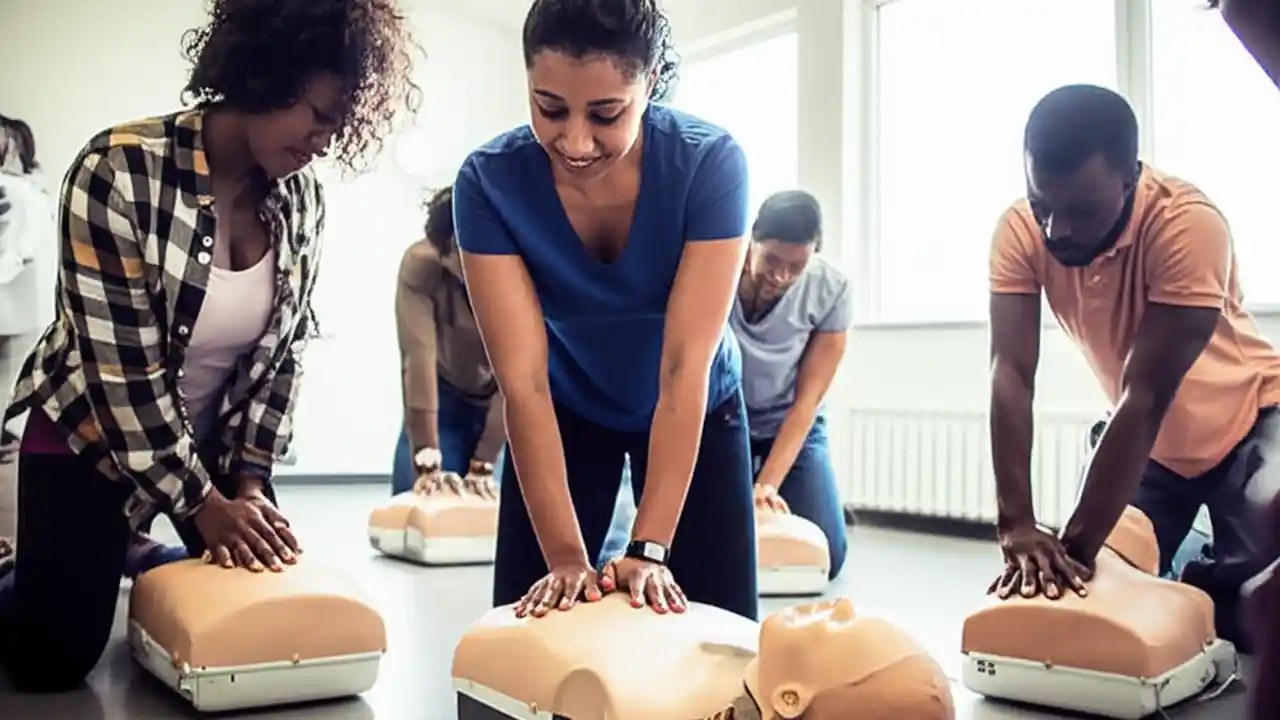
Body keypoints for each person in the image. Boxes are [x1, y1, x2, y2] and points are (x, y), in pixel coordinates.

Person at [0, 0, 419, 693]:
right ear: (264, 76)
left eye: (338, 125)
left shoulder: (303, 199)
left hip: (215, 445)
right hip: (92, 436)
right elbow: (122, 375)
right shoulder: (118, 170)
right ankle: (28, 563)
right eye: (316, 114)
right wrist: (200, 506)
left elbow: (283, 354)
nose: (323, 140)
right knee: (53, 660)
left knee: (265, 618)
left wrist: (247, 484)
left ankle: (129, 549)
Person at [453, 0, 758, 621]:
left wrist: (647, 548)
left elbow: (682, 370)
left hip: (694, 404)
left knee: (721, 642)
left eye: (606, 113)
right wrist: (565, 559)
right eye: (549, 107)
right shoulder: (488, 182)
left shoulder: (710, 163)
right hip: (564, 407)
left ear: (648, 87)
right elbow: (523, 383)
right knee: (527, 630)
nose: (575, 140)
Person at [986, 83, 1280, 654]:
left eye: (1081, 212)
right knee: (1102, 589)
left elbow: (1147, 395)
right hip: (1148, 447)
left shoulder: (1188, 223)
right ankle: (1185, 564)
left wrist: (1070, 550)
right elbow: (1011, 373)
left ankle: (1201, 568)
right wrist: (1016, 524)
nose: (1057, 231)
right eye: (1044, 204)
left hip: (1250, 421)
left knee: (1260, 611)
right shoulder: (1020, 230)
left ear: (1131, 179)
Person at [730, 190, 850, 580]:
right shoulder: (714, 270)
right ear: (752, 241)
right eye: (771, 260)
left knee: (827, 553)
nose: (780, 277)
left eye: (796, 266)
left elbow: (807, 402)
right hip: (724, 419)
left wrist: (766, 488)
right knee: (707, 542)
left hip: (791, 421)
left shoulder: (832, 288)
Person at [392, 186, 505, 497]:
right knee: (415, 502)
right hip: (444, 401)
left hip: (508, 406)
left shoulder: (530, 271)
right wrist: (427, 457)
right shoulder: (421, 265)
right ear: (443, 253)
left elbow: (520, 377)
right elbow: (418, 358)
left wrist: (484, 462)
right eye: (462, 251)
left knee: (504, 521)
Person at [0, 115, 55, 463]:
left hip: (20, 294)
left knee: (12, 370)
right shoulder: (23, 190)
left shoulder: (27, 190)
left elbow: (23, 244)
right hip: (15, 292)